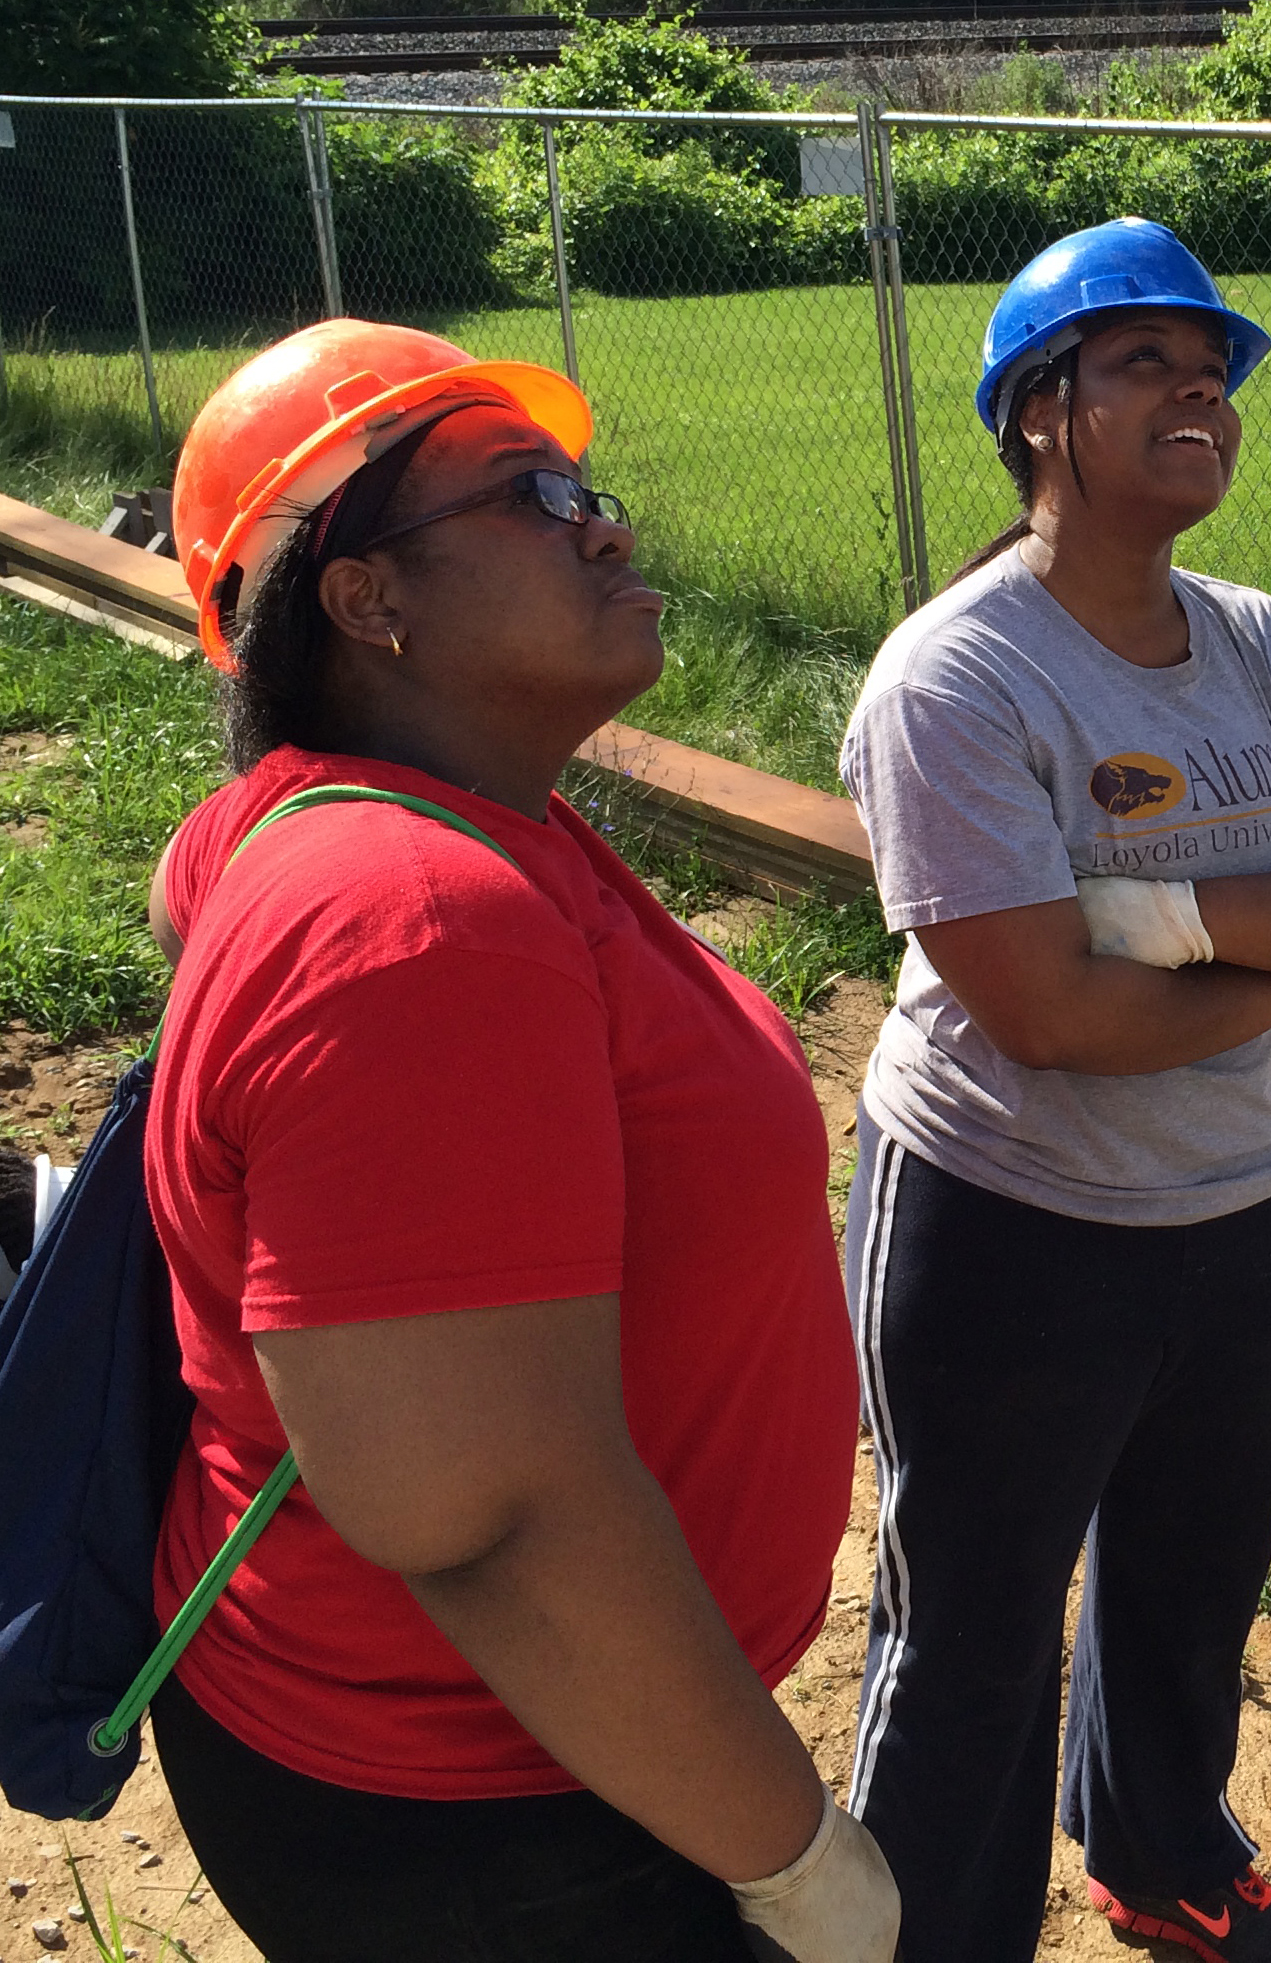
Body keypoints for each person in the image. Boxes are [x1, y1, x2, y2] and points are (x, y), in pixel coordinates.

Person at [144, 320, 897, 1962]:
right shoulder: (413, 919)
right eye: (531, 496)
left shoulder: (336, 814)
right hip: (501, 1810)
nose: (605, 521)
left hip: (519, 1761)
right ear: (365, 599)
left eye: (585, 484)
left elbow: (187, 877)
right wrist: (785, 1853)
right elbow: (488, 1519)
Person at [837, 219, 1271, 1963]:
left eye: (1212, 365)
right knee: (971, 1627)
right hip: (1009, 1225)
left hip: (1244, 1203)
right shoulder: (959, 675)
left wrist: (1163, 922)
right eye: (1142, 362)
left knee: (1191, 1578)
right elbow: (1045, 1017)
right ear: (1040, 414)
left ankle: (1162, 1852)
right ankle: (932, 1935)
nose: (1201, 386)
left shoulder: (1256, 644)